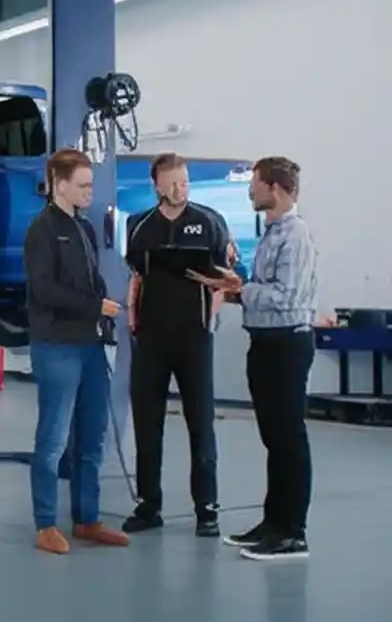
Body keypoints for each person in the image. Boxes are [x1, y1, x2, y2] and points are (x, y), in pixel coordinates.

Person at [188, 156, 318, 561]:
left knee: (288, 440)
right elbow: (266, 287)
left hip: (286, 346)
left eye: (255, 184)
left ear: (274, 189)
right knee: (273, 439)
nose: (250, 190)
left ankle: (292, 533)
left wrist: (240, 289)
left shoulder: (294, 236)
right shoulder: (272, 232)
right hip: (265, 342)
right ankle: (272, 523)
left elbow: (287, 297)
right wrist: (231, 288)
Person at [120, 153, 237, 538]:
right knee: (147, 424)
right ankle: (149, 505)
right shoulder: (140, 227)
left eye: (184, 182)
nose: (179, 189)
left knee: (200, 423)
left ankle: (207, 509)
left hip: (193, 338)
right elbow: (137, 277)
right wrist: (132, 319)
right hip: (151, 338)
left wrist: (211, 316)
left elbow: (228, 277)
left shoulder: (209, 222)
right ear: (156, 185)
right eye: (172, 182)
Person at [23, 148, 130, 555]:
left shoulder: (83, 229)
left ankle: (87, 518)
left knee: (92, 436)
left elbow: (90, 281)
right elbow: (44, 290)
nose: (90, 191)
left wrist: (101, 306)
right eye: (83, 185)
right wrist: (92, 306)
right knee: (53, 438)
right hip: (57, 347)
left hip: (89, 345)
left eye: (91, 184)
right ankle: (46, 523)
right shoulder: (42, 231)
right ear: (60, 184)